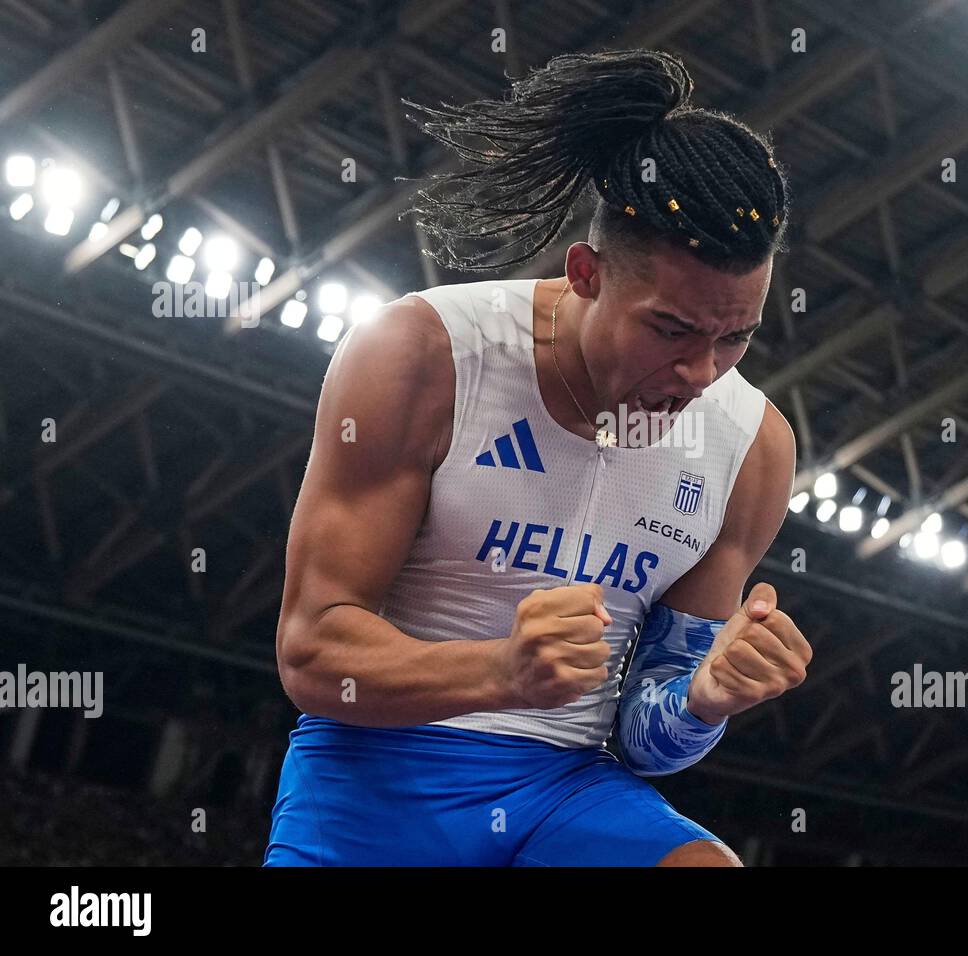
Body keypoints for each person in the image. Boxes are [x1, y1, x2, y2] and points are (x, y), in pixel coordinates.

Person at [264, 49, 812, 867]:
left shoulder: (754, 448)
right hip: (374, 777)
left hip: (567, 788)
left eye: (734, 337)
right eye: (671, 331)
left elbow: (645, 742)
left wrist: (704, 699)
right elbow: (312, 653)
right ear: (585, 274)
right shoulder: (425, 354)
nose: (700, 373)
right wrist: (500, 671)